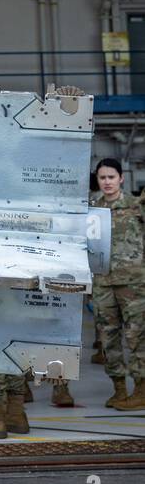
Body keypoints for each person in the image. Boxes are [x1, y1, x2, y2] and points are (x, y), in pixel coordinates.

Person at [90, 158, 145, 410]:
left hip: (134, 284)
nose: (107, 182)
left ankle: (141, 390)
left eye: (111, 177)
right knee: (108, 339)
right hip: (103, 284)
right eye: (102, 178)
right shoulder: (92, 209)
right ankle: (119, 389)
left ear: (121, 178)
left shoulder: (136, 206)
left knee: (137, 338)